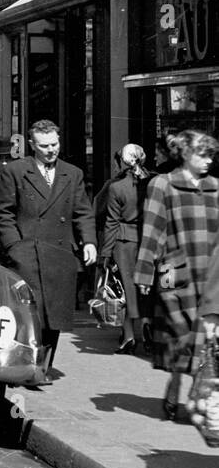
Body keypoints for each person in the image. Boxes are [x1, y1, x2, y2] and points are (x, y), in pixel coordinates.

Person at [0, 119, 97, 378]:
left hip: (60, 254)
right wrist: (15, 247)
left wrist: (90, 242)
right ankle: (27, 366)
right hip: (27, 254)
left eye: (55, 144)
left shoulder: (72, 174)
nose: (52, 150)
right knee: (31, 313)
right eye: (44, 146)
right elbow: (4, 213)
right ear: (32, 145)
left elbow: (83, 212)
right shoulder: (16, 171)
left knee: (55, 315)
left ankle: (44, 366)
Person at [133, 129, 219, 420]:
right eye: (201, 154)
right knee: (178, 334)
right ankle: (175, 381)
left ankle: (196, 390)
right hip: (175, 271)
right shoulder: (163, 185)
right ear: (184, 155)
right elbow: (152, 230)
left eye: (210, 155)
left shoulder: (216, 187)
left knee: (205, 336)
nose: (208, 161)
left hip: (209, 272)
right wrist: (145, 273)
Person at [93, 143, 150, 353]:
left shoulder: (116, 187)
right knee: (146, 288)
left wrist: (105, 253)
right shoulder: (154, 181)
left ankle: (128, 337)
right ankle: (146, 328)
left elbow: (111, 222)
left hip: (124, 243)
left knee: (124, 291)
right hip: (148, 240)